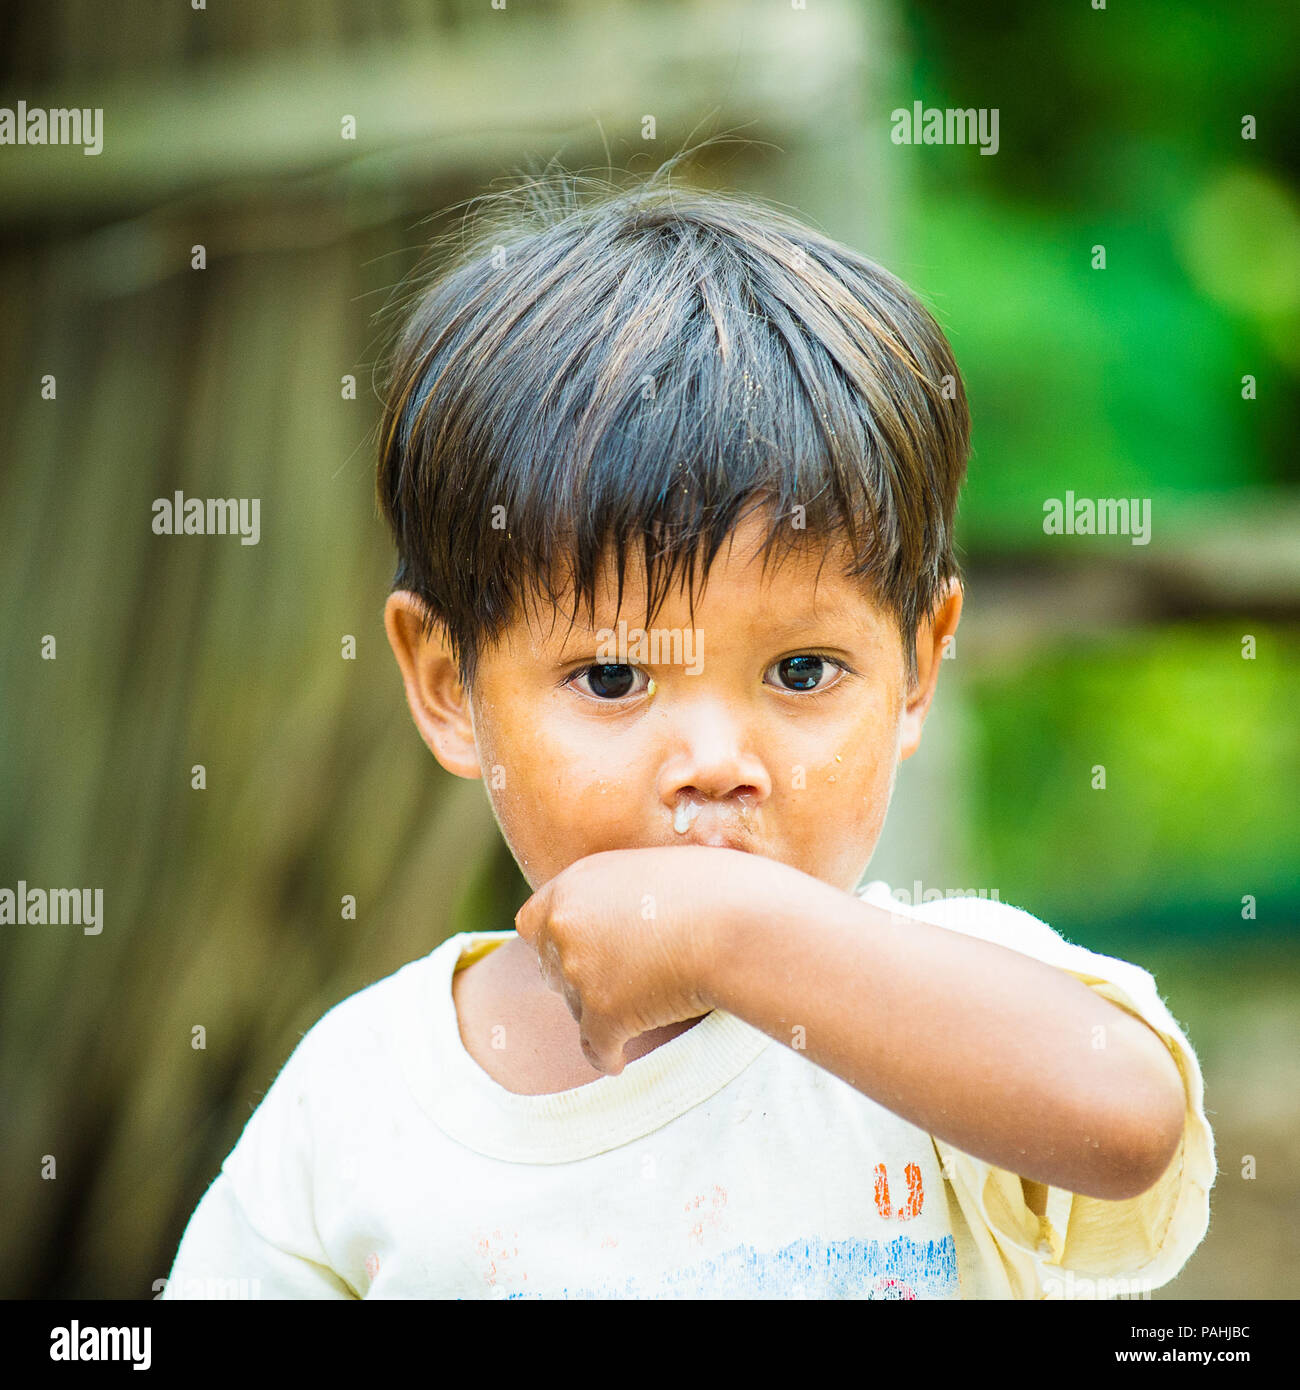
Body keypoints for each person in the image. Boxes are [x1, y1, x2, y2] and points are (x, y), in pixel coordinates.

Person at [162, 159, 1214, 1300]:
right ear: (446, 682)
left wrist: (720, 934)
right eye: (611, 675)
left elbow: (1128, 1121)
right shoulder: (364, 1103)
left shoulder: (941, 1014)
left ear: (917, 667)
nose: (716, 761)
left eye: (802, 670)